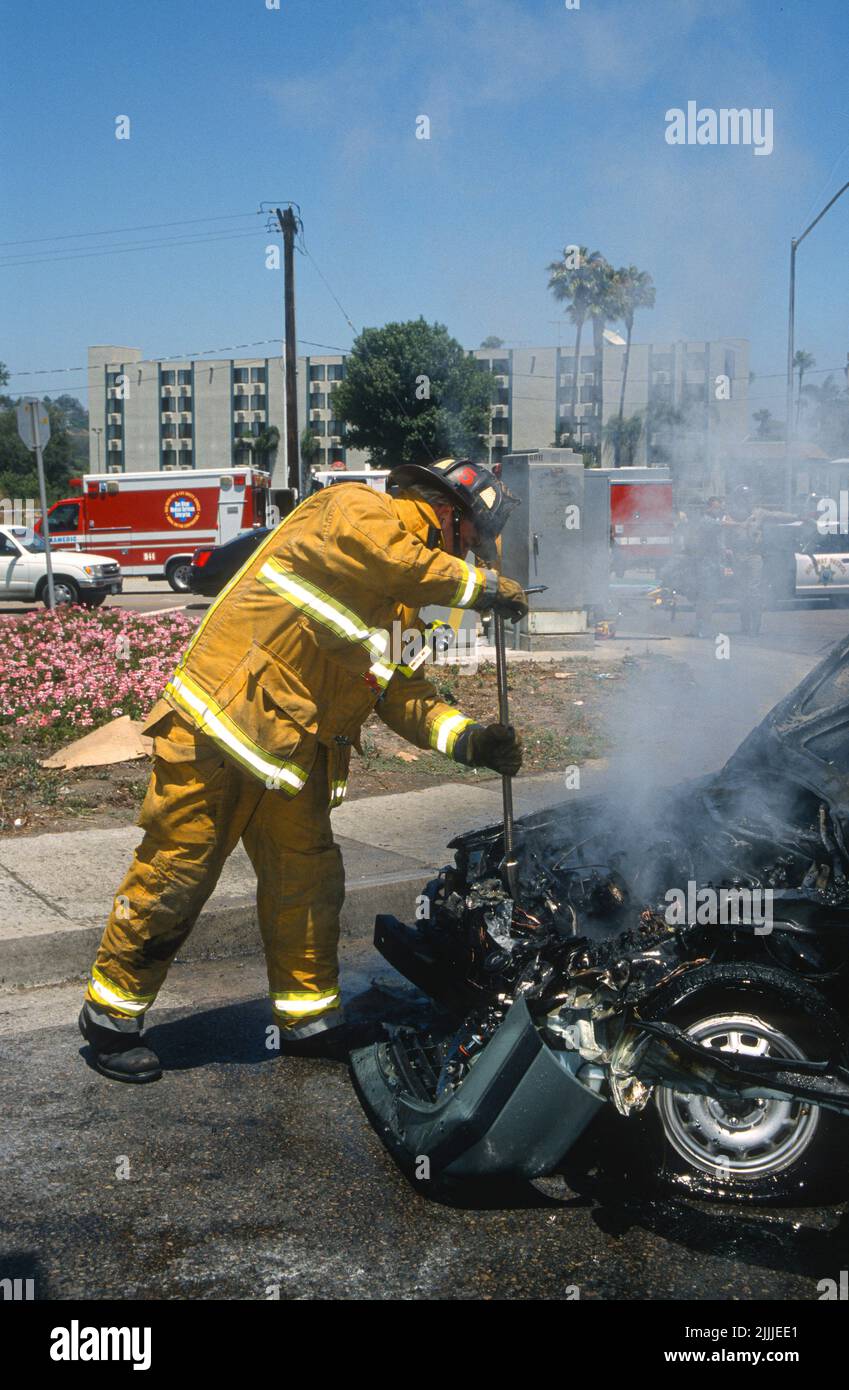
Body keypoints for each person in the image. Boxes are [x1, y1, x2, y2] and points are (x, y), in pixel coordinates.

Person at [79, 458, 528, 1082]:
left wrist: (473, 740)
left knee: (307, 891)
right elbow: (396, 559)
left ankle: (308, 1022)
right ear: (451, 516)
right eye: (476, 541)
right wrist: (479, 589)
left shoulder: (402, 611)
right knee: (175, 875)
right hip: (220, 729)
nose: (478, 556)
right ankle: (110, 1019)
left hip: (293, 760)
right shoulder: (355, 510)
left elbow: (402, 694)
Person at [722, 485, 797, 634]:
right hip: (738, 555)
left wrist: (798, 516)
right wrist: (726, 548)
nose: (746, 500)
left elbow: (777, 515)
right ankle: (745, 626)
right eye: (743, 497)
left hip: (754, 555)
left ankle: (755, 627)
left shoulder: (759, 513)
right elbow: (723, 531)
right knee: (742, 592)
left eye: (748, 497)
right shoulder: (730, 514)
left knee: (754, 591)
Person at [683, 496, 724, 637]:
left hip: (711, 565)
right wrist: (742, 524)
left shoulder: (711, 521)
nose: (718, 510)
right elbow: (722, 525)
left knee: (708, 599)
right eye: (716, 507)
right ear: (708, 508)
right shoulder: (707, 521)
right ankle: (702, 628)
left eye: (719, 507)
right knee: (706, 598)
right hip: (706, 566)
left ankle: (701, 627)